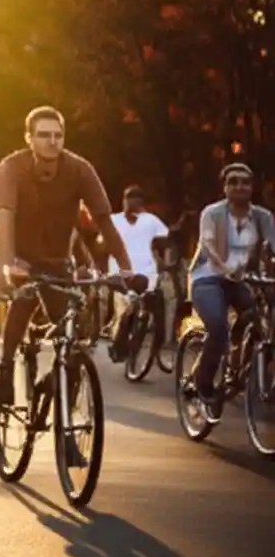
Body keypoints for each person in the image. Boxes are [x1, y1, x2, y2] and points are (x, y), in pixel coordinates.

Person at [0, 106, 135, 405]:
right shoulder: (11, 167)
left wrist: (126, 269)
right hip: (21, 259)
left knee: (72, 344)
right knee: (24, 299)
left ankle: (58, 400)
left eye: (58, 135)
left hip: (58, 262)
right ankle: (4, 369)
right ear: (29, 138)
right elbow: (4, 216)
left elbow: (104, 219)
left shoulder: (79, 169)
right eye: (43, 135)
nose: (52, 141)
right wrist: (6, 265)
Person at [188, 163, 275, 414]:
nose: (240, 186)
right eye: (233, 181)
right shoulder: (212, 213)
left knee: (261, 321)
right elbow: (209, 245)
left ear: (252, 187)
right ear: (224, 187)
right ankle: (203, 383)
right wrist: (226, 268)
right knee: (217, 326)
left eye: (245, 182)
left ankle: (238, 363)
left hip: (244, 281)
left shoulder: (263, 217)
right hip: (208, 279)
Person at [106, 185, 170, 362]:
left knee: (154, 299)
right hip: (120, 272)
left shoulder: (150, 221)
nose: (131, 204)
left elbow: (164, 240)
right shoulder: (114, 220)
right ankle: (119, 345)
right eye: (128, 199)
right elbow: (101, 243)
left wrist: (161, 258)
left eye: (136, 200)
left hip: (145, 272)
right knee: (130, 303)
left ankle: (156, 341)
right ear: (123, 201)